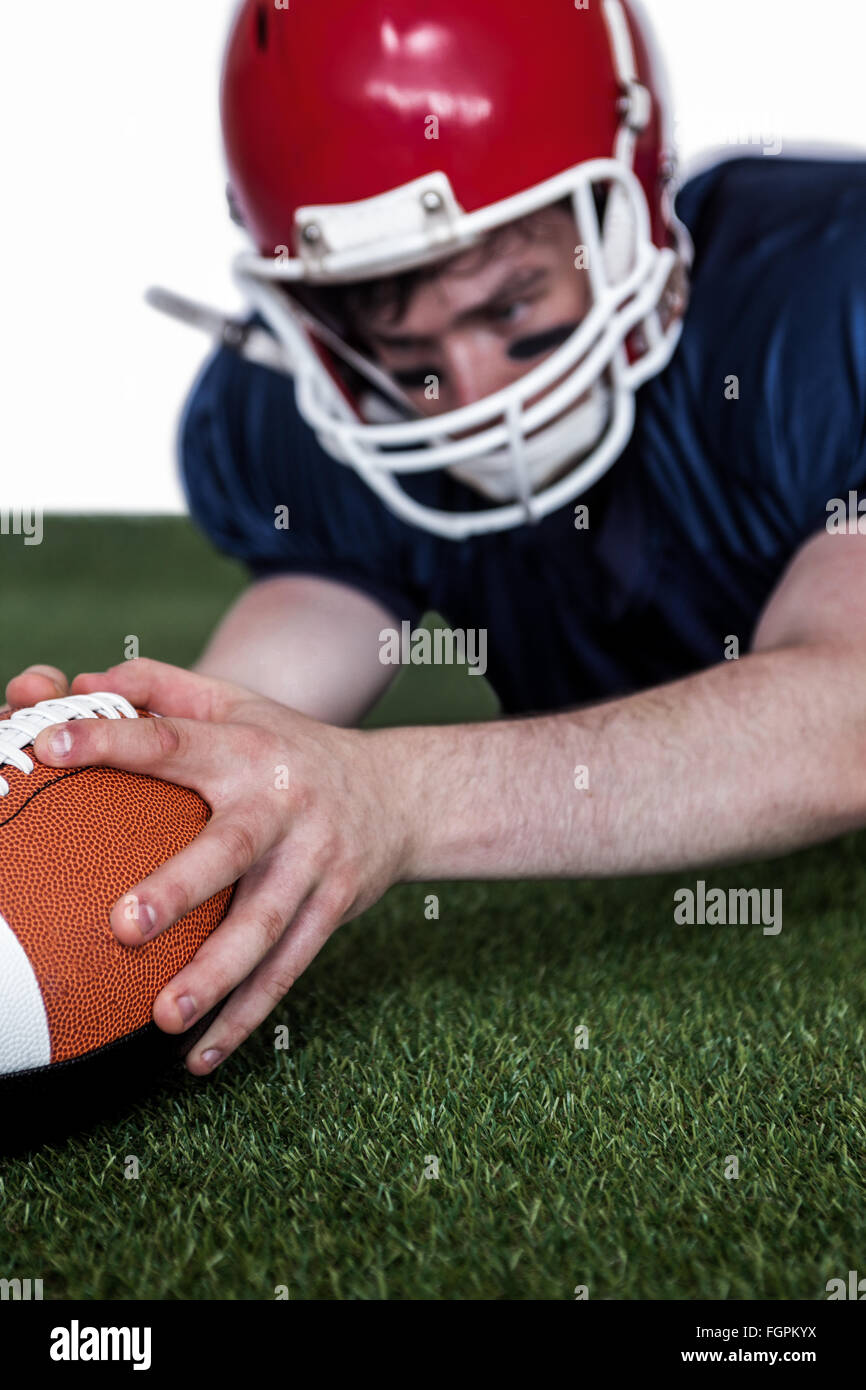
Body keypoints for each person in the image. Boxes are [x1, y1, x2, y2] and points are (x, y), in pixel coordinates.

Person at [7, 0, 866, 1075]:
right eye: (400, 346)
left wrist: (395, 794)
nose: (465, 396)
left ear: (630, 198)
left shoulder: (821, 298)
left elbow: (845, 712)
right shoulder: (304, 422)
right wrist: (122, 755)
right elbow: (265, 698)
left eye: (513, 305)